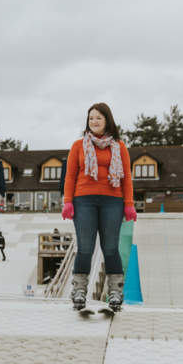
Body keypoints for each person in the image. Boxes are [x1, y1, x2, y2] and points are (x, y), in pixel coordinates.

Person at [62, 102, 136, 312]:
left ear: (107, 121)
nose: (94, 122)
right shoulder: (78, 145)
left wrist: (129, 204)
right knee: (85, 248)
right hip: (83, 200)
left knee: (110, 247)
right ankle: (79, 291)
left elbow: (127, 178)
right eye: (91, 118)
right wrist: (68, 201)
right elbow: (70, 175)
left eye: (98, 118)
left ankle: (115, 292)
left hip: (112, 201)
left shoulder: (119, 146)